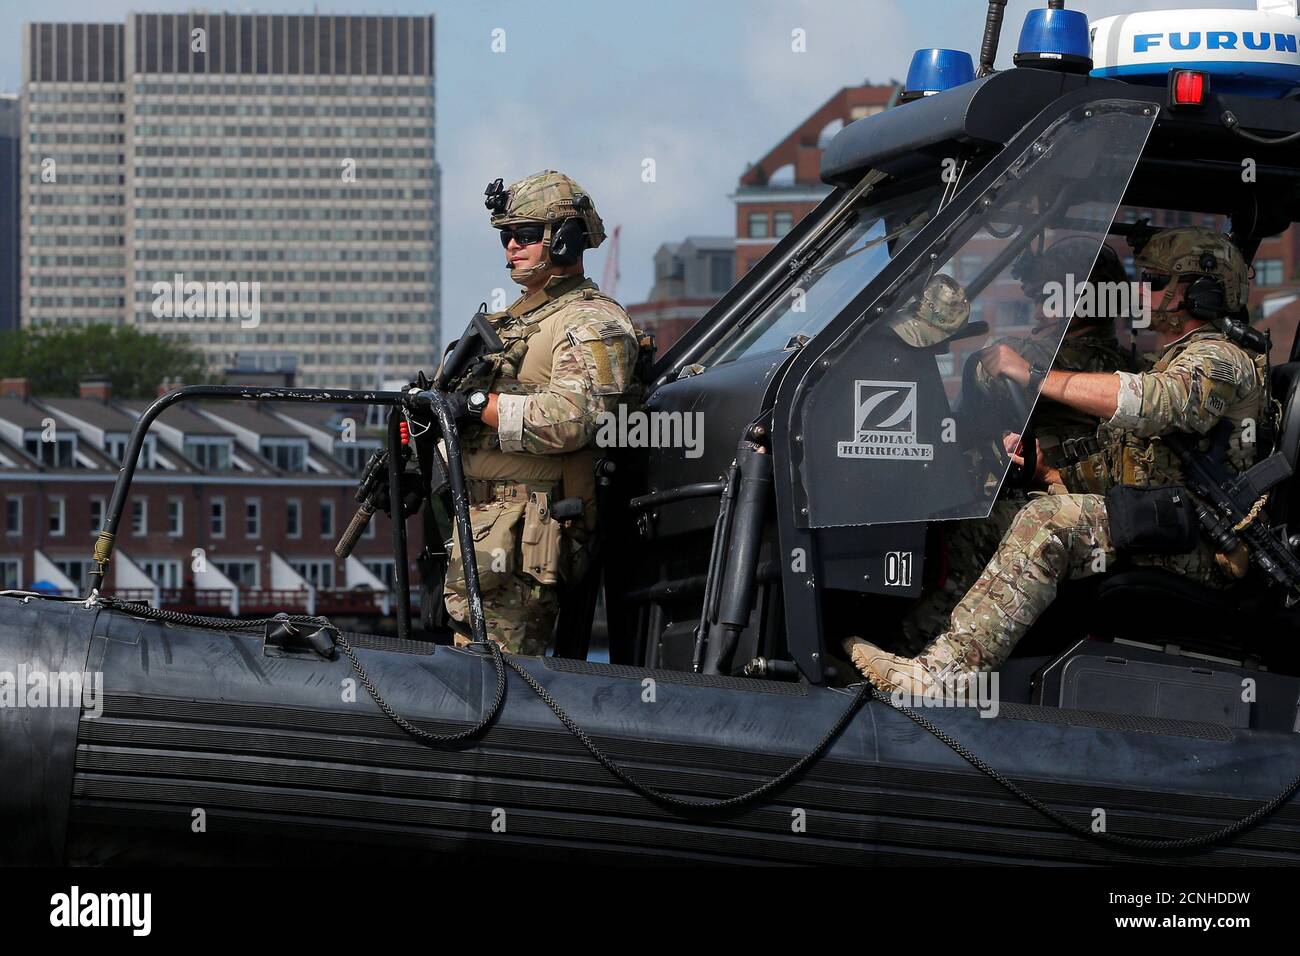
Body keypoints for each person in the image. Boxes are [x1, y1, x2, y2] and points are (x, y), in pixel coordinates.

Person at [847, 226, 1270, 694]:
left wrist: (1030, 374)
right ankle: (910, 653)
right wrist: (1050, 470)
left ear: (1200, 292)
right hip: (1159, 522)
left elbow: (1153, 402)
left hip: (1199, 544)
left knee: (1051, 521)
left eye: (1153, 281)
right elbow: (1134, 461)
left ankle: (941, 679)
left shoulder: (1223, 359)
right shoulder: (1176, 358)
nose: (1138, 294)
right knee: (993, 519)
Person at [900, 241, 1141, 650]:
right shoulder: (1121, 362)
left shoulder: (1045, 355)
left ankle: (918, 644)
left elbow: (982, 381)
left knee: (961, 529)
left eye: (1044, 290)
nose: (1032, 299)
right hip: (1077, 501)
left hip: (1054, 502)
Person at [440, 170, 639, 655]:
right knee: (471, 667)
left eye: (526, 235)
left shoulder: (592, 320)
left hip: (529, 534)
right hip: (482, 525)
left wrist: (476, 406)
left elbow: (575, 416)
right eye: (507, 236)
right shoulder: (513, 320)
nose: (512, 246)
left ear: (564, 239)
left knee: (500, 678)